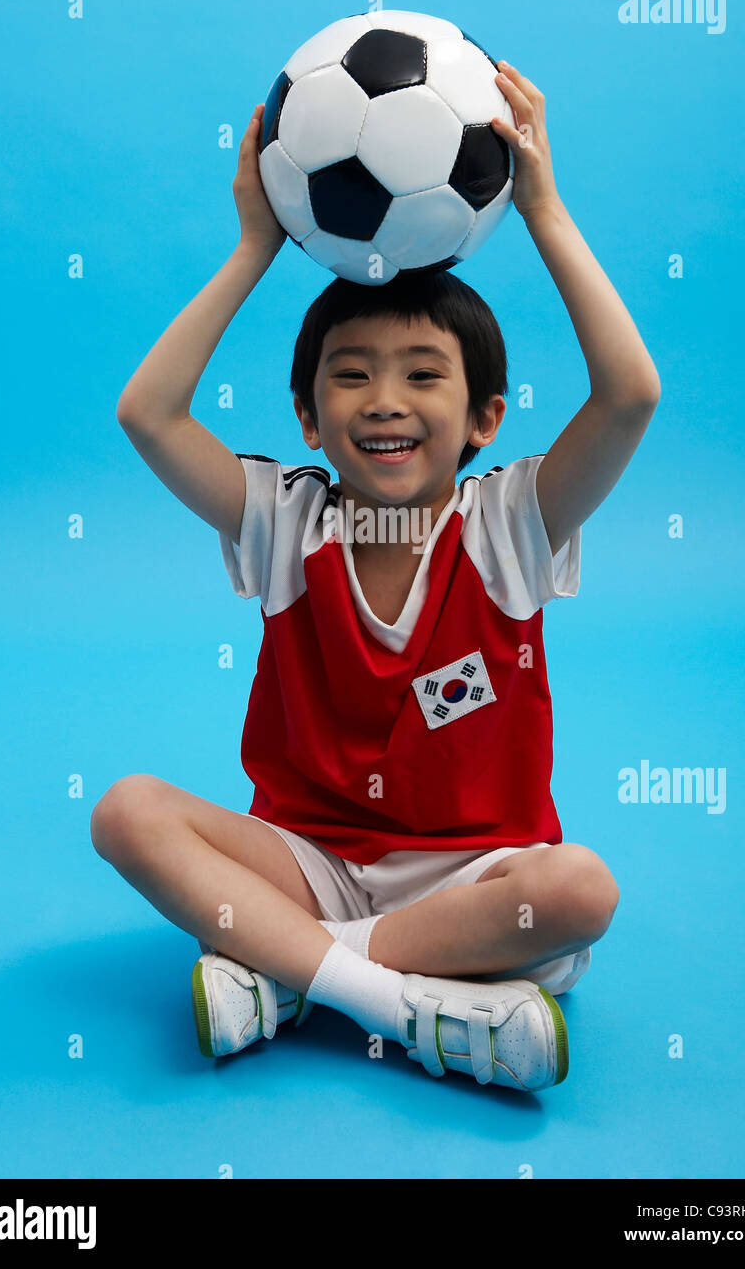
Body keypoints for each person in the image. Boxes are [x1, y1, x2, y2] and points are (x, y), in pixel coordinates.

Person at [90, 61, 660, 1093]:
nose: (384, 400)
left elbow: (629, 395)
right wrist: (254, 248)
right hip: (308, 861)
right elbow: (149, 414)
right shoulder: (286, 521)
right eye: (350, 374)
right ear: (309, 418)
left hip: (472, 877)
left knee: (579, 889)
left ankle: (291, 973)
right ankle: (414, 1006)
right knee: (127, 811)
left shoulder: (508, 526)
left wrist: (544, 209)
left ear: (486, 419)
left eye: (422, 375)